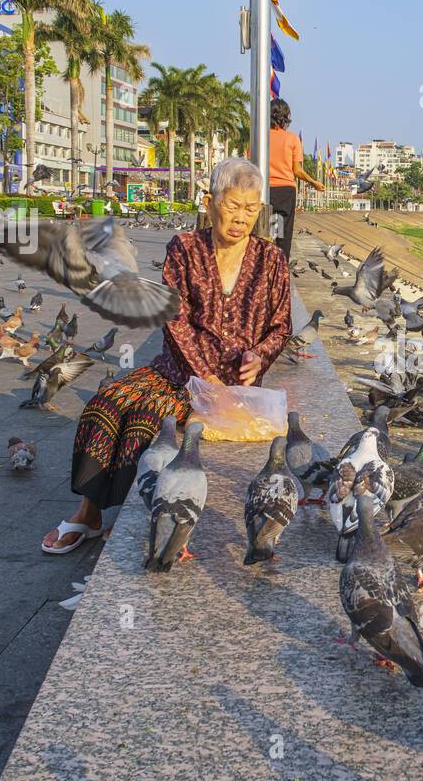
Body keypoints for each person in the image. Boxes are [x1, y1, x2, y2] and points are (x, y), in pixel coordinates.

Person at [41, 157, 293, 553]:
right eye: (232, 206)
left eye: (250, 209)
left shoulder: (271, 260)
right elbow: (174, 320)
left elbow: (281, 325)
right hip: (179, 369)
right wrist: (202, 376)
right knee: (105, 403)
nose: (241, 218)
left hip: (233, 384)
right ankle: (89, 511)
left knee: (147, 420)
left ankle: (128, 517)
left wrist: (260, 355)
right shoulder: (185, 248)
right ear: (210, 202)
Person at [266, 99, 324, 260]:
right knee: (283, 233)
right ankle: (281, 269)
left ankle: (266, 265)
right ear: (286, 117)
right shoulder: (292, 139)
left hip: (264, 191)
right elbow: (297, 170)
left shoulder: (260, 138)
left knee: (267, 231)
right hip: (285, 192)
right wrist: (314, 182)